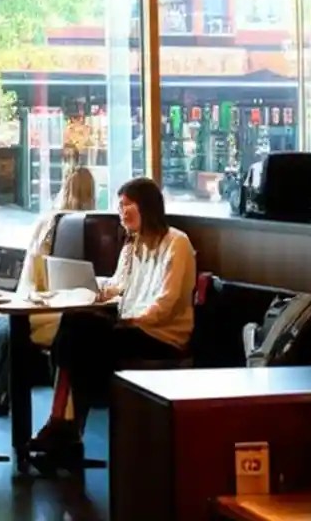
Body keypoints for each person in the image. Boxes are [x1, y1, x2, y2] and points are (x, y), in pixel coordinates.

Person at [31, 176, 195, 460]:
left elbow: (166, 304)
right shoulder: (132, 246)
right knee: (75, 324)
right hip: (131, 328)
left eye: (126, 205)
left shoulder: (176, 244)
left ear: (146, 207)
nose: (121, 212)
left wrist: (130, 321)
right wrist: (89, 289)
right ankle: (64, 428)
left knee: (79, 337)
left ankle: (64, 426)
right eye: (120, 206)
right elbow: (117, 286)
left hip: (161, 335)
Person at [0, 166, 96, 414]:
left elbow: (32, 269)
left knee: (4, 325)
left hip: (47, 301)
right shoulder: (98, 227)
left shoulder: (49, 222)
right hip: (78, 304)